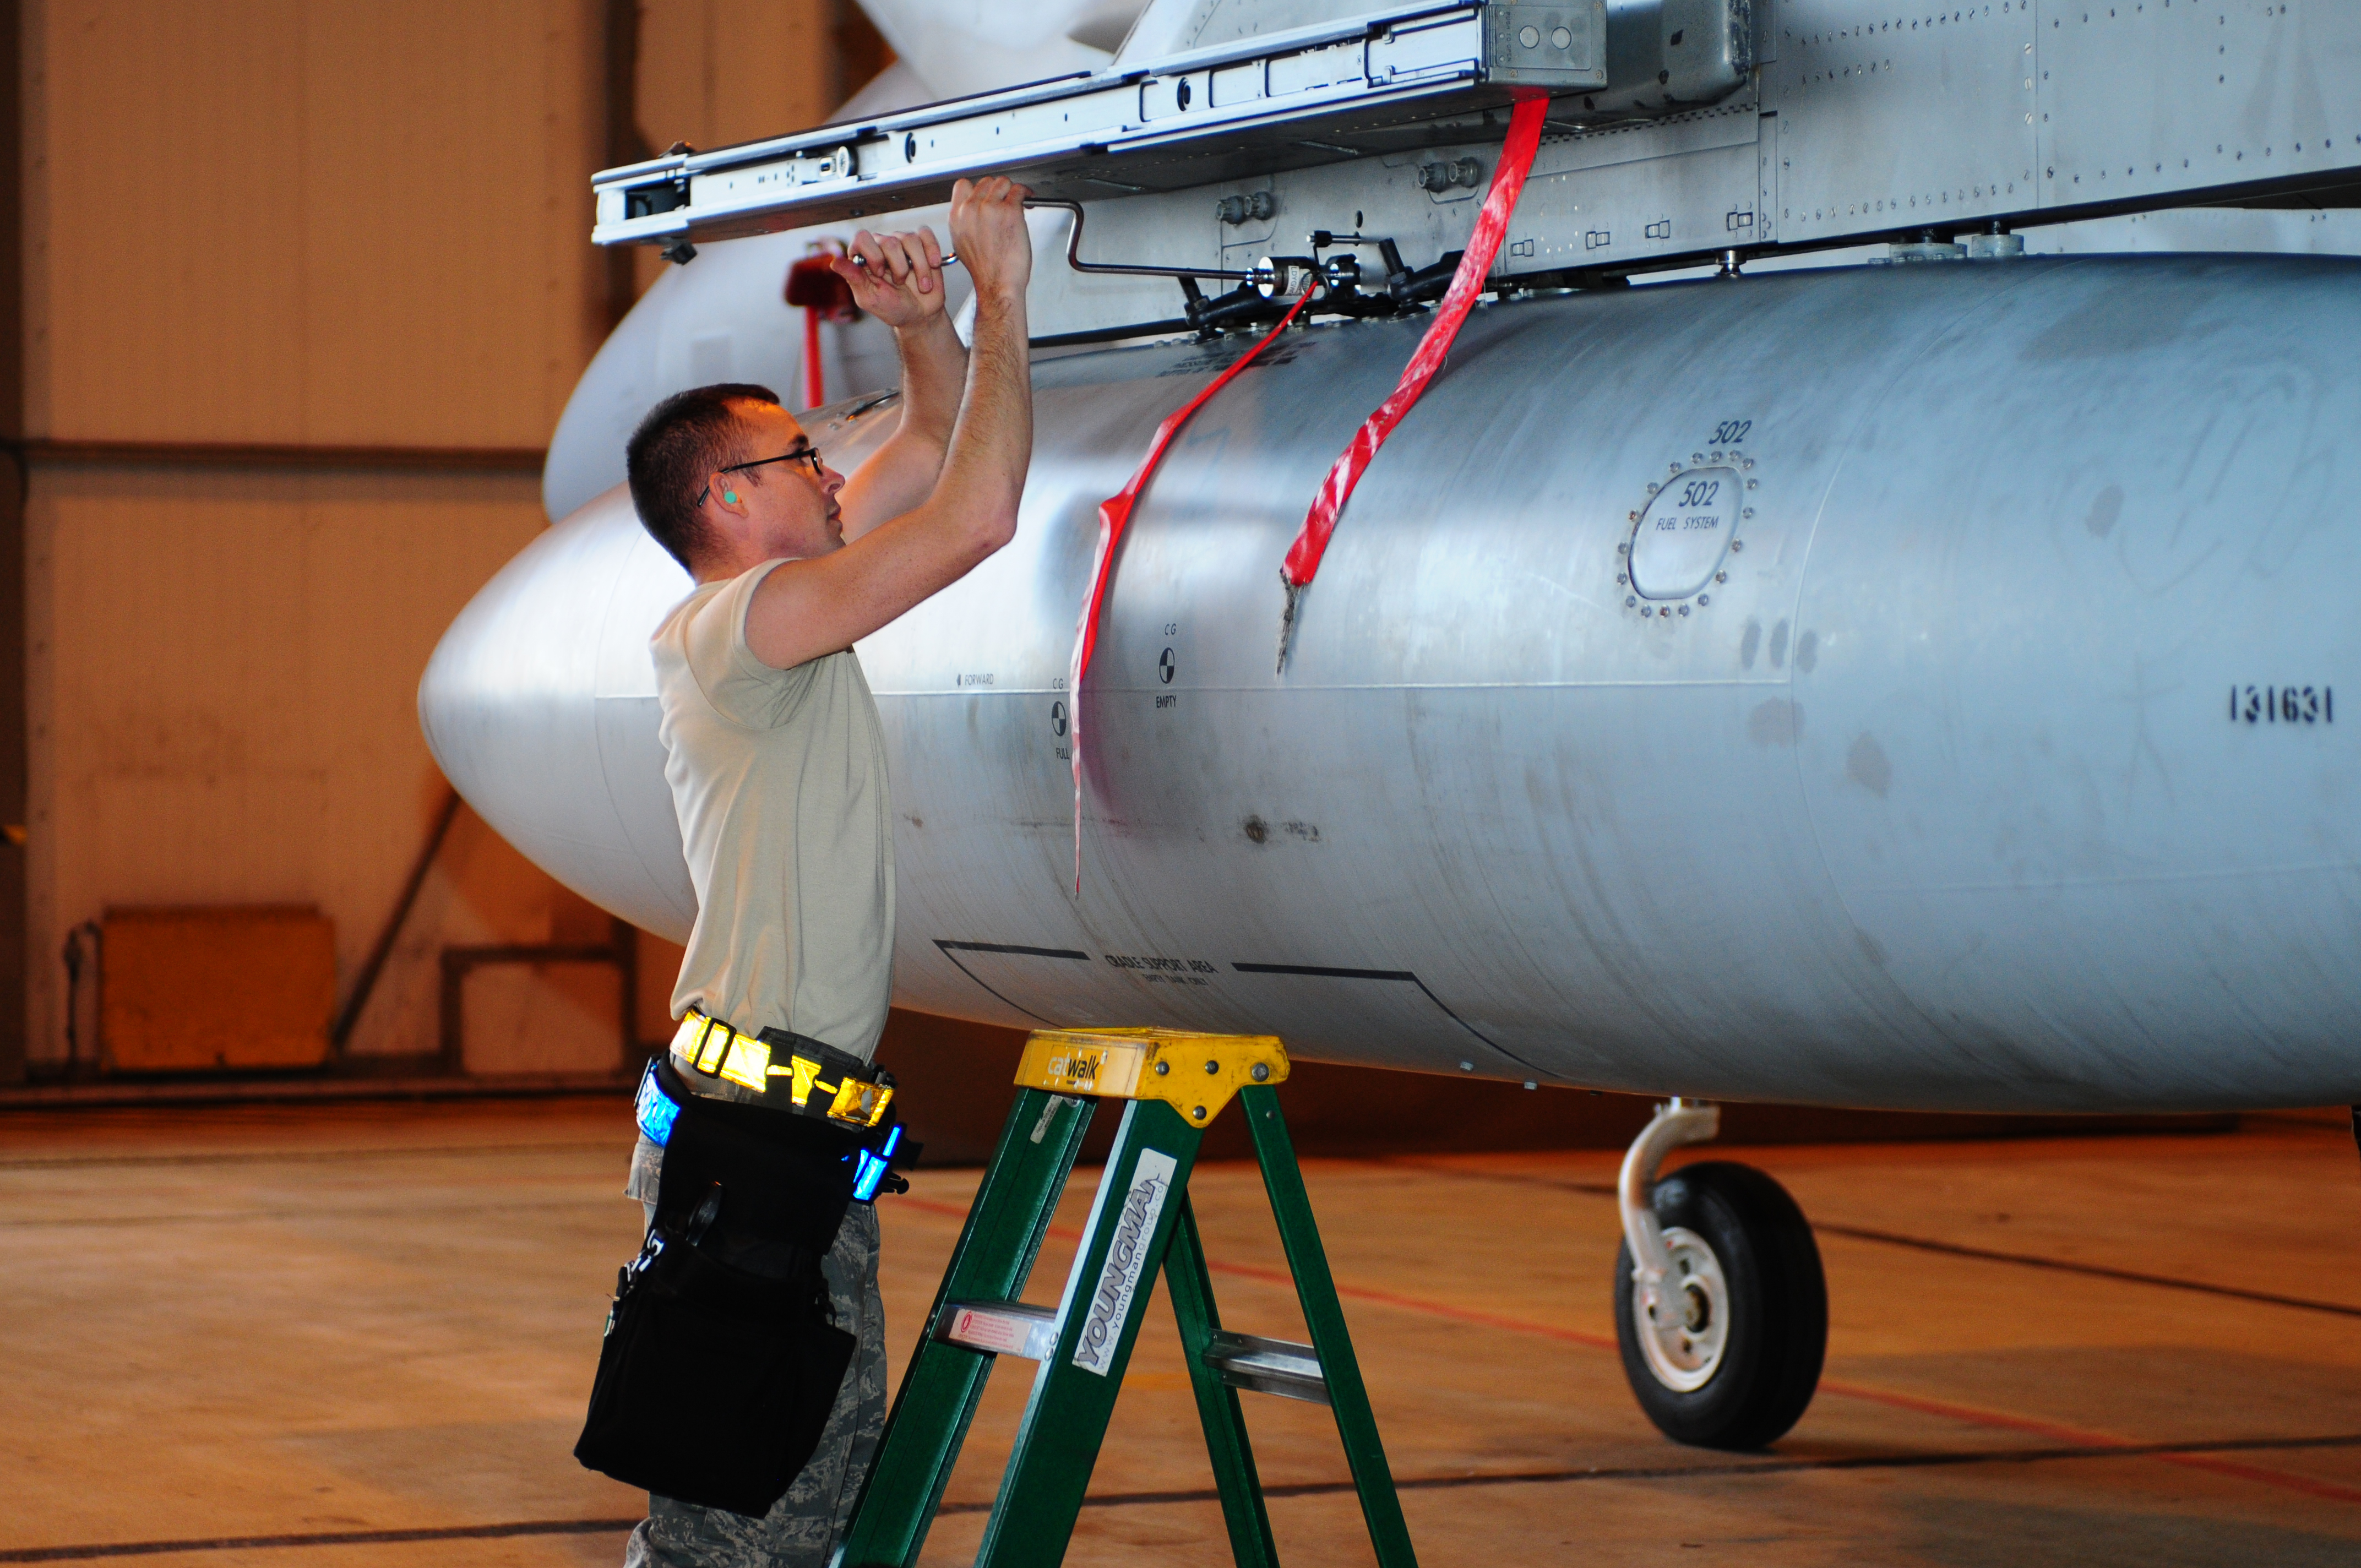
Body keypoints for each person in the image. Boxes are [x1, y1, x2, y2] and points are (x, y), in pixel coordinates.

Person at [613, 175, 1034, 1567]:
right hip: (759, 1133)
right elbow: (973, 516)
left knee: (778, 1487)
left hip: (785, 1126)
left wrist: (928, 322)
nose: (829, 470)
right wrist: (1007, 291)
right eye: (800, 457)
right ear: (729, 498)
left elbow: (926, 447)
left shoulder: (777, 614)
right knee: (748, 1506)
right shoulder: (747, 624)